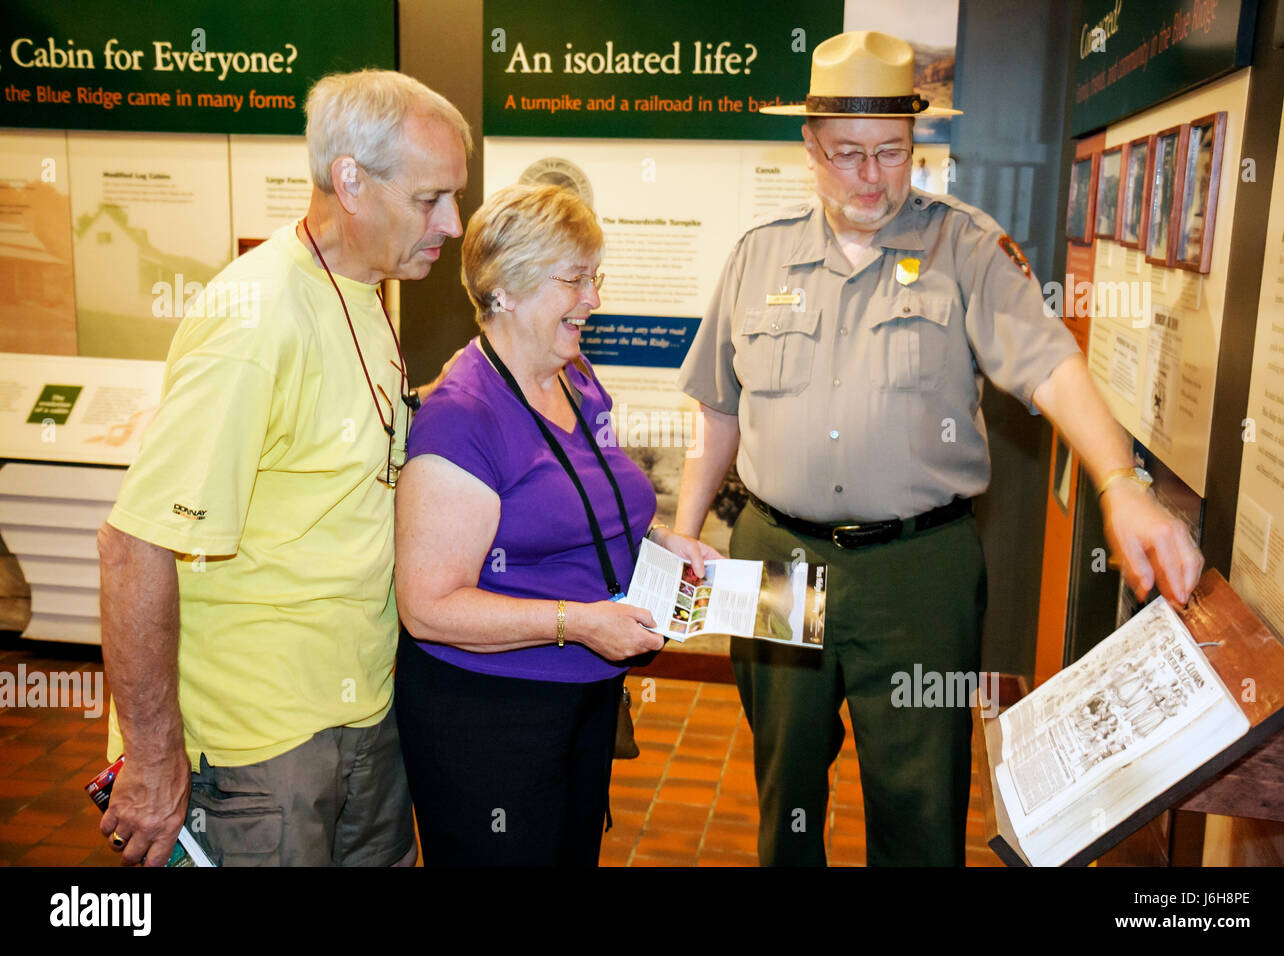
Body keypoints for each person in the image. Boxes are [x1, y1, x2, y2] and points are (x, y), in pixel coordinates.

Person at [673, 31, 1203, 866]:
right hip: (775, 557)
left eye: (892, 150)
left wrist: (1119, 481)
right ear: (809, 146)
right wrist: (687, 525)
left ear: (915, 143)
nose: (872, 176)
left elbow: (1051, 365)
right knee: (786, 782)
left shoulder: (966, 247)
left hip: (917, 572)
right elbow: (718, 405)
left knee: (920, 799)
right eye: (848, 153)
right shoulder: (758, 255)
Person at [96, 69, 470, 866]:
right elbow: (134, 545)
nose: (455, 221)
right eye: (431, 198)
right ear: (351, 180)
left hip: (363, 713)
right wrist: (155, 758)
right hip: (262, 748)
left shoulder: (363, 287)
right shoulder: (256, 321)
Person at [393, 183, 717, 866]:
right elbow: (427, 608)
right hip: (492, 716)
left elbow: (593, 506)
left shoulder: (575, 376)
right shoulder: (463, 416)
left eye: (596, 277)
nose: (593, 298)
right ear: (504, 289)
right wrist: (577, 621)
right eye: (574, 279)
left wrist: (662, 541)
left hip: (582, 695)